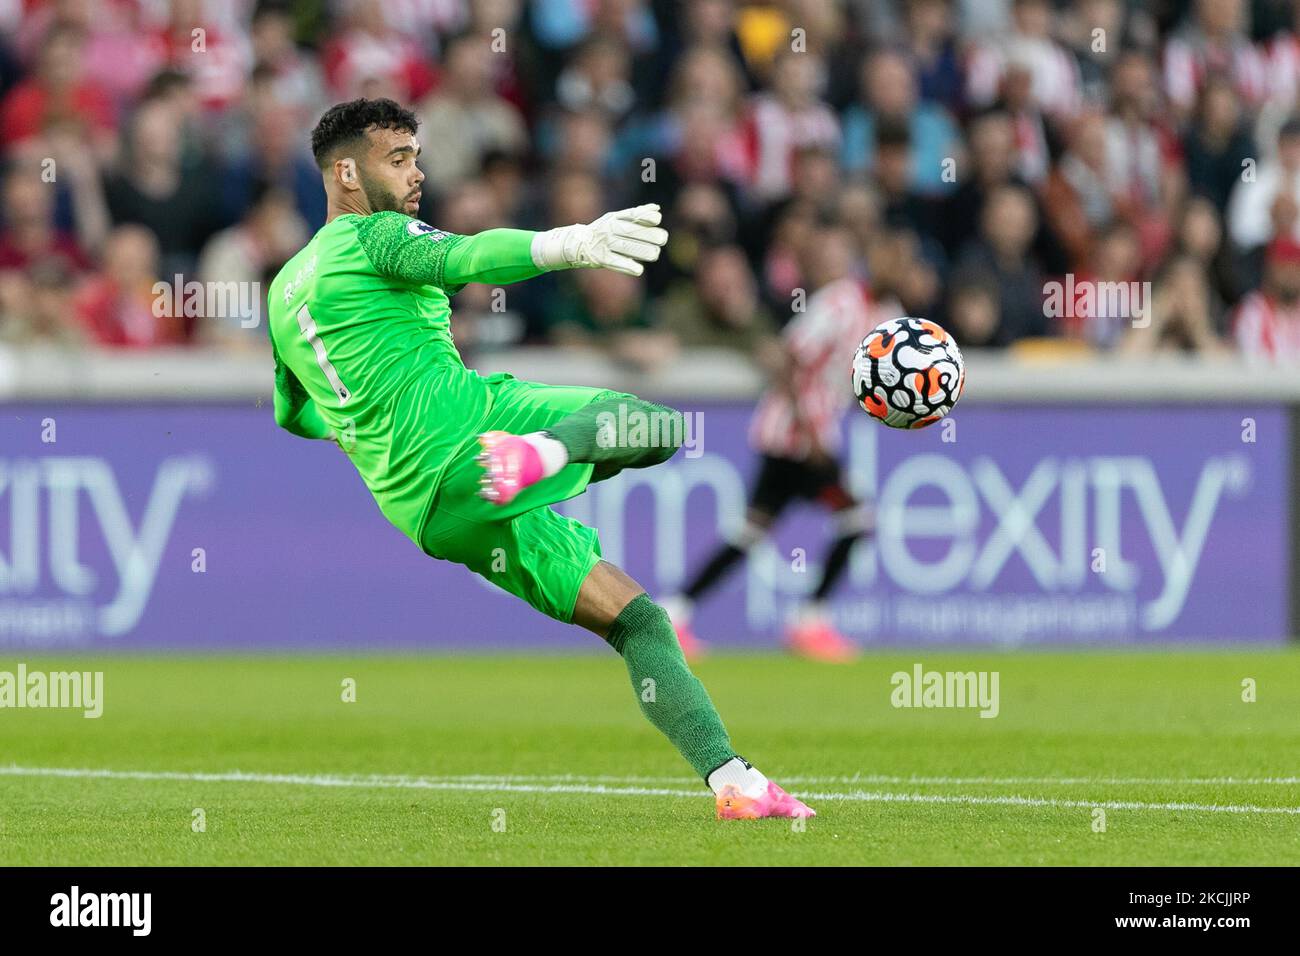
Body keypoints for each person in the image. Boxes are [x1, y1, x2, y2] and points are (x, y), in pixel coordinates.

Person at [266, 98, 814, 820]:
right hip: (472, 434)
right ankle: (544, 452)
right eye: (396, 159)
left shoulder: (281, 293)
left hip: (430, 506)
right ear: (345, 172)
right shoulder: (374, 237)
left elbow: (293, 413)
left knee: (638, 620)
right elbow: (462, 256)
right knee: (657, 425)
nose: (415, 172)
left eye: (416, 156)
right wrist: (571, 244)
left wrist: (357, 423)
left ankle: (734, 782)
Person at [660, 224, 878, 663]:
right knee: (856, 518)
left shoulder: (846, 302)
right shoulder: (838, 302)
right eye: (823, 253)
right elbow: (791, 356)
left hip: (790, 436)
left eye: (838, 252)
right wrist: (812, 427)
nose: (830, 261)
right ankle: (808, 621)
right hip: (798, 440)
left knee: (751, 530)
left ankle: (673, 611)